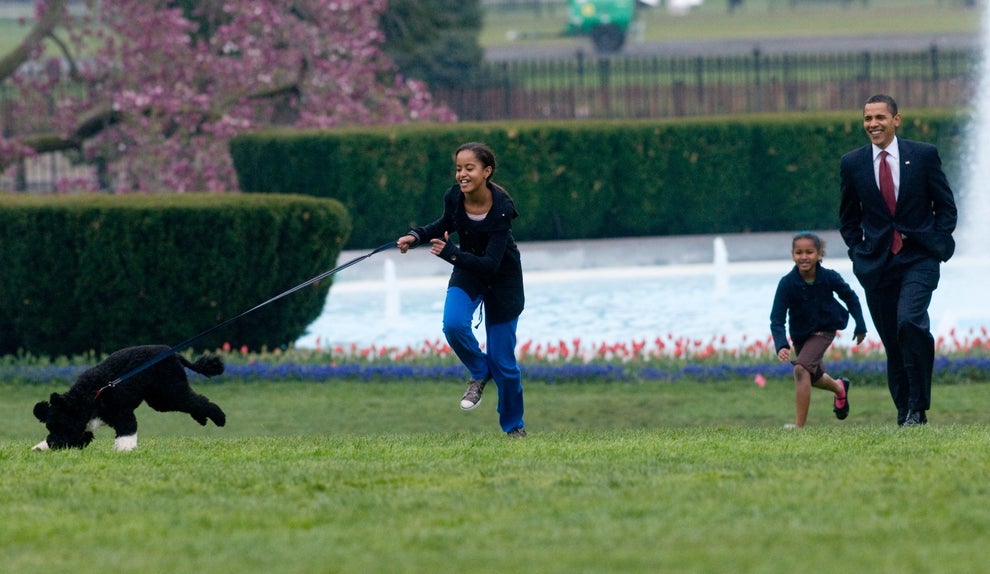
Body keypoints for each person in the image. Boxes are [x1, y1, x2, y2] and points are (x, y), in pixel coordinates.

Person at [839, 94, 957, 426]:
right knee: (893, 340)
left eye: (879, 117)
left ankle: (918, 407)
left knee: (910, 323)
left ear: (896, 120)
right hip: (877, 264)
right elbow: (848, 219)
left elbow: (945, 207)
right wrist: (858, 253)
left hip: (919, 257)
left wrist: (937, 242)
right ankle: (904, 410)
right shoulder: (852, 163)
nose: (873, 124)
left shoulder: (923, 156)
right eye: (867, 119)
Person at [396, 142, 527, 438]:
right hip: (469, 273)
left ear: (487, 171)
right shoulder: (454, 197)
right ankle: (480, 372)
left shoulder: (502, 209)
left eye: (469, 168)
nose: (462, 175)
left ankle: (514, 427)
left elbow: (491, 263)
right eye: (458, 168)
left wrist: (450, 254)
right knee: (453, 324)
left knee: (505, 366)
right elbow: (445, 223)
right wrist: (415, 236)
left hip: (502, 280)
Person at [771, 232, 867, 428]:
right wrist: (782, 344)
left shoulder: (829, 277)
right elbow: (777, 319)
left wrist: (860, 325)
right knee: (812, 378)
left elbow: (851, 298)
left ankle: (799, 427)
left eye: (809, 252)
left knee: (800, 369)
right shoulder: (787, 284)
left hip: (825, 329)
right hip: (801, 335)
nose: (804, 256)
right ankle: (839, 387)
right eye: (798, 252)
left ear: (819, 254)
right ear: (792, 255)